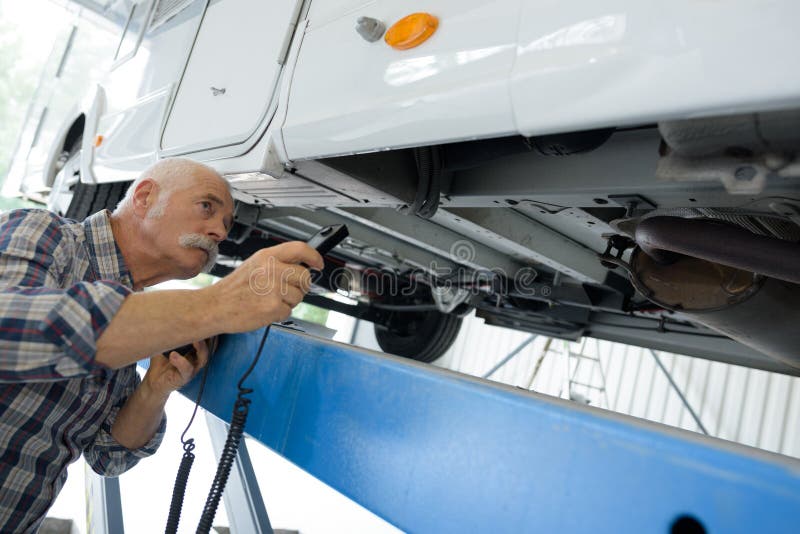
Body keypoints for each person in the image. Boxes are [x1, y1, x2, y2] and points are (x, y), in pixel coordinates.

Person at [0, 158, 323, 532]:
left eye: (227, 223)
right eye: (207, 207)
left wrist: (155, 388)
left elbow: (110, 456)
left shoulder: (135, 319)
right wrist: (217, 303)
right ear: (145, 196)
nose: (220, 231)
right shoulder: (44, 232)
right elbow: (11, 330)